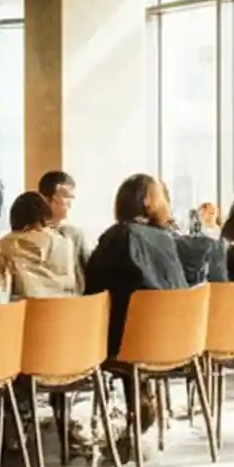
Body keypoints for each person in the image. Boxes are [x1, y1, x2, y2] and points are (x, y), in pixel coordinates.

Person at [85, 174, 187, 432]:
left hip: (126, 345)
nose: (167, 203)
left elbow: (94, 291)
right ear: (148, 202)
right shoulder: (166, 240)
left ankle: (134, 400)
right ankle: (143, 395)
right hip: (176, 340)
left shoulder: (115, 238)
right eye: (163, 196)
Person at [0, 192, 83, 299]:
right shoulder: (66, 243)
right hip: (66, 310)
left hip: (27, 311)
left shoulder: (5, 244)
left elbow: (0, 288)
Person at [38, 170, 88, 292]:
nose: (70, 203)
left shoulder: (74, 235)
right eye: (66, 196)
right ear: (46, 198)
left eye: (72, 197)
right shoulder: (31, 235)